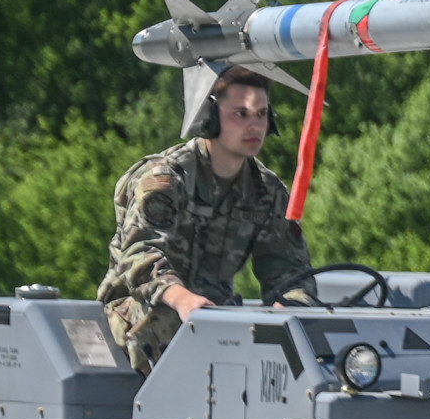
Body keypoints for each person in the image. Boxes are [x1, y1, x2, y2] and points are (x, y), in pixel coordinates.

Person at [98, 68, 314, 375]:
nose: (255, 125)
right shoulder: (165, 179)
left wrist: (287, 308)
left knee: (298, 331)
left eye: (262, 114)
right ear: (209, 117)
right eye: (240, 113)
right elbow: (140, 257)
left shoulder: (266, 191)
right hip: (143, 309)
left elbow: (291, 271)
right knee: (174, 323)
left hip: (216, 315)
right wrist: (183, 300)